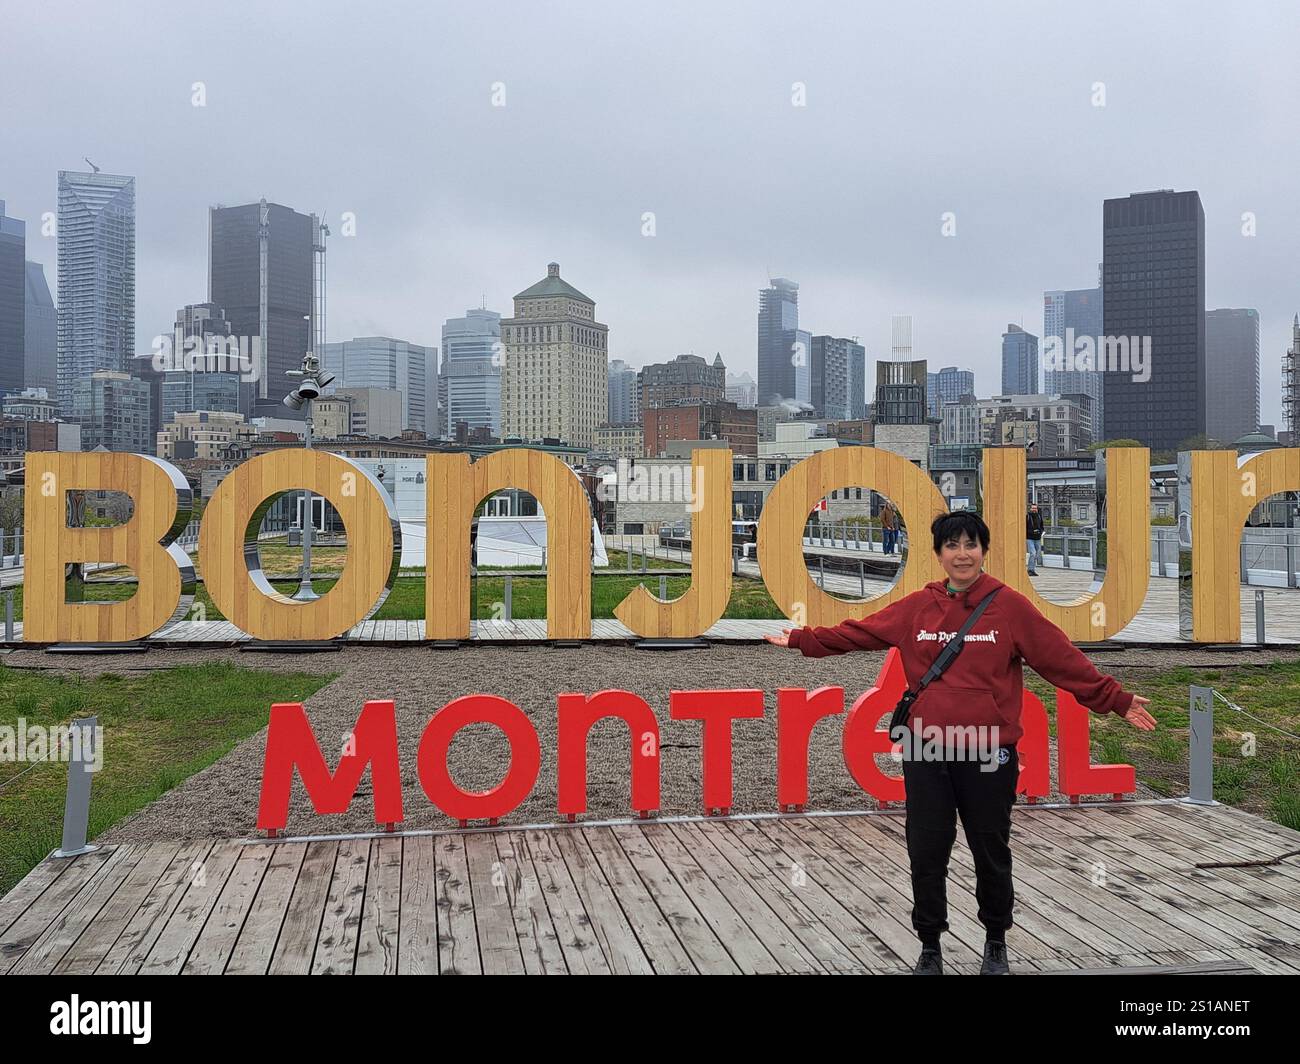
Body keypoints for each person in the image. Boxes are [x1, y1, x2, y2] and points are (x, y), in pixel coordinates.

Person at [764, 510, 1156, 975]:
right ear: (939, 555)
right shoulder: (917, 608)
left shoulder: (1009, 607)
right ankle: (930, 945)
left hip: (990, 751)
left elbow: (1061, 660)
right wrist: (803, 639)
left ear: (983, 551)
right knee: (926, 850)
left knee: (990, 848)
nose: (962, 553)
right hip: (928, 751)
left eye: (971, 544)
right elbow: (859, 632)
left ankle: (996, 941)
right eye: (952, 546)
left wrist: (1115, 698)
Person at [1026, 503, 1045, 575]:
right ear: (1030, 509)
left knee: (1037, 554)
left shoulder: (1039, 516)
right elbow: (1024, 528)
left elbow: (1042, 526)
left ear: (1037, 509)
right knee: (1033, 553)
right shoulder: (1027, 517)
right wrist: (1032, 532)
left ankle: (1033, 570)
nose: (1034, 509)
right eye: (1033, 508)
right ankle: (1029, 570)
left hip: (1037, 538)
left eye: (1035, 508)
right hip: (1030, 538)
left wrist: (1040, 532)